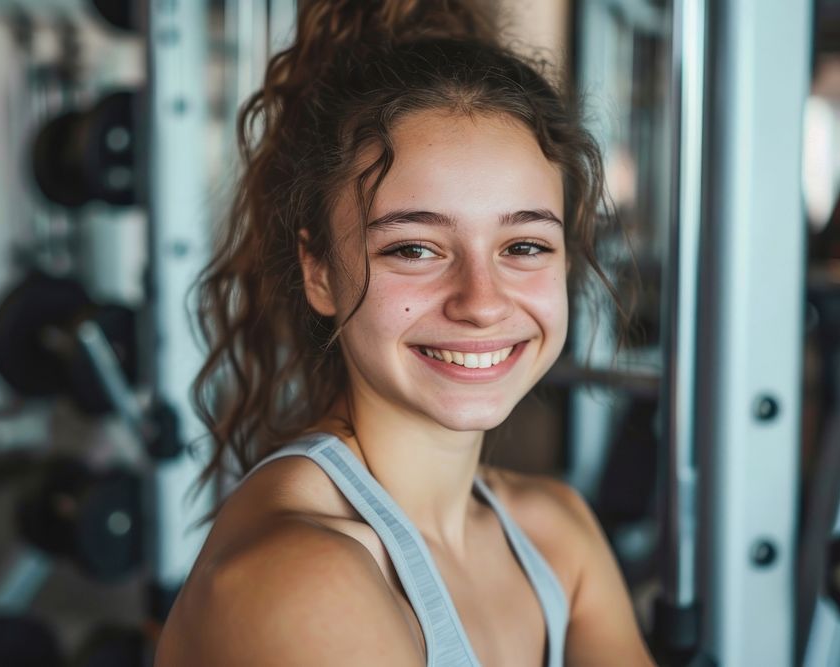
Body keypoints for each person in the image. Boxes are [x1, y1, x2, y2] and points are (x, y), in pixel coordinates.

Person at [155, 1, 654, 664]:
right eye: (415, 248)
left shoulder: (556, 533)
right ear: (319, 272)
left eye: (525, 245)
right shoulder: (302, 577)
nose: (482, 302)